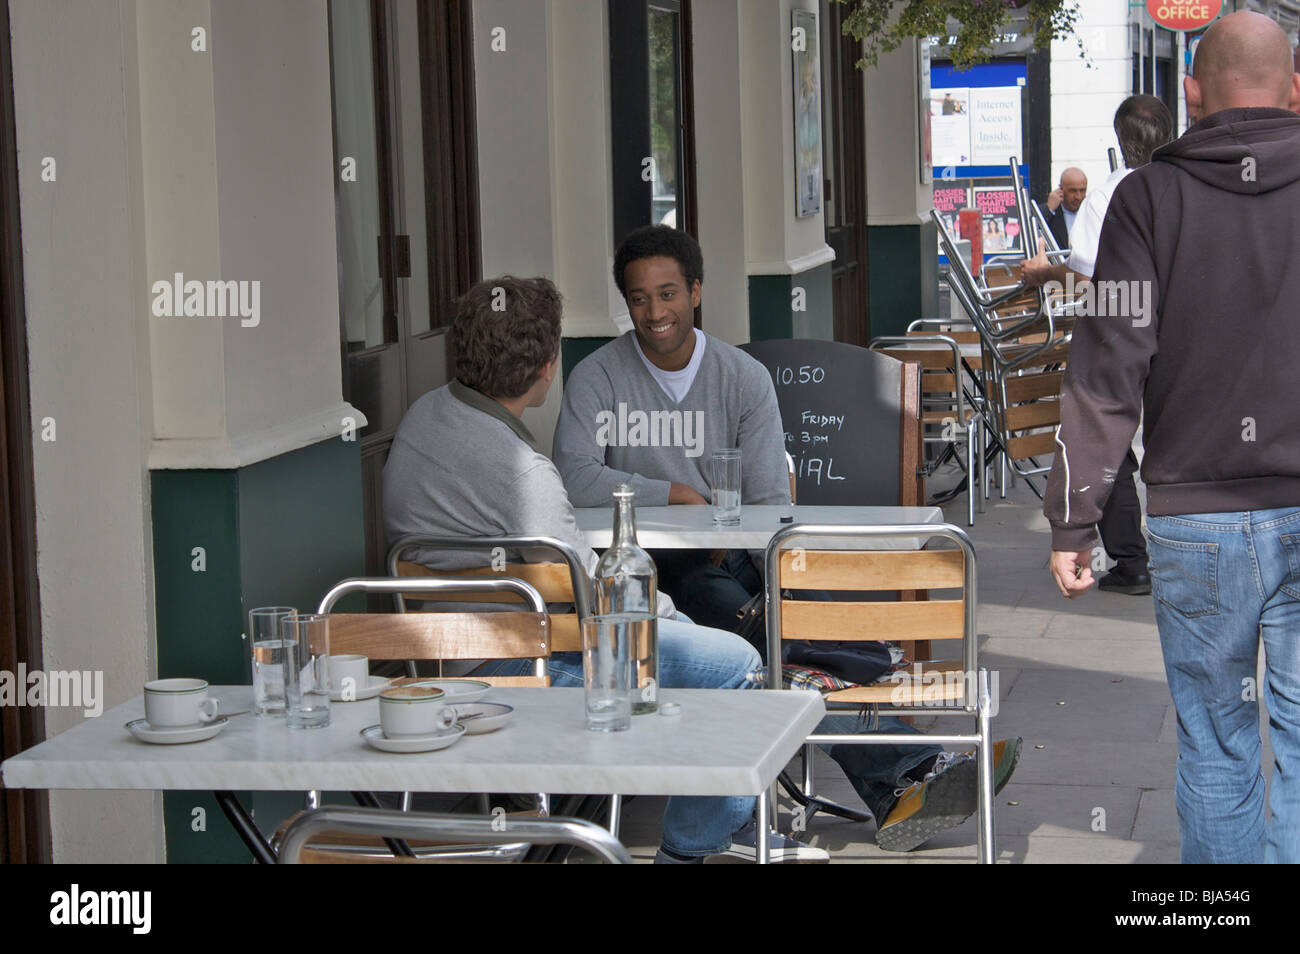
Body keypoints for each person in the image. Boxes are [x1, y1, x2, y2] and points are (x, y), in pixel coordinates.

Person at [553, 225, 1021, 851]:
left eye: (668, 293)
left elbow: (771, 503)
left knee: (779, 618)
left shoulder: (741, 377)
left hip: (734, 564)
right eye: (639, 299)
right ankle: (907, 772)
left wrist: (779, 588)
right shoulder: (598, 376)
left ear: (696, 291)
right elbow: (576, 475)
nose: (655, 312)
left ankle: (901, 778)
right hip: (639, 578)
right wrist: (677, 495)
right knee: (757, 618)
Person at [383, 275, 827, 863]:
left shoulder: (422, 419)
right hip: (514, 668)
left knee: (702, 647)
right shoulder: (523, 474)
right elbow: (607, 600)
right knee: (738, 666)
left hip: (437, 656)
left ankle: (717, 819)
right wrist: (686, 632)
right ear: (547, 367)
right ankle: (692, 847)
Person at [1045, 10, 1300, 864]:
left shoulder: (1146, 200)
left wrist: (1075, 518)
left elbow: (1108, 363)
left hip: (1198, 520)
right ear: (1295, 87)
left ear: (1190, 96)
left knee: (1217, 741)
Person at [1021, 94, 1176, 596]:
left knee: (1114, 444)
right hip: (1180, 339)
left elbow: (1090, 283)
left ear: (1119, 137)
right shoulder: (1188, 184)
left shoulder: (1110, 194)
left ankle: (1132, 558)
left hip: (1121, 332)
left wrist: (1045, 274)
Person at [1039, 167, 1087, 248]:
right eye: (1073, 191)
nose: (1078, 197)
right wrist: (1049, 209)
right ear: (1061, 189)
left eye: (1082, 190)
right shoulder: (1051, 213)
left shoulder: (1090, 211)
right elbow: (1031, 231)